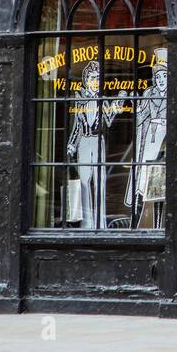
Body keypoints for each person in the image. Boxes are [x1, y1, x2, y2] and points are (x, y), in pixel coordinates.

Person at [66, 59, 119, 229]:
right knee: (83, 182)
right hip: (84, 142)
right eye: (92, 78)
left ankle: (100, 224)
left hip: (98, 141)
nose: (95, 82)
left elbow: (109, 121)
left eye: (98, 78)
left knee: (100, 181)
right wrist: (72, 144)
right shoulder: (79, 99)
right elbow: (77, 126)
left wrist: (118, 103)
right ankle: (87, 225)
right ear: (86, 80)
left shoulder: (101, 99)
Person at [128, 49, 168, 229]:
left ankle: (159, 228)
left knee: (158, 189)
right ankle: (133, 227)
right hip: (149, 146)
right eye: (158, 77)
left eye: (164, 76)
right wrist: (135, 107)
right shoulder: (148, 94)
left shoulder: (174, 94)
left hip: (164, 146)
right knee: (141, 186)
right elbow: (140, 117)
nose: (160, 80)